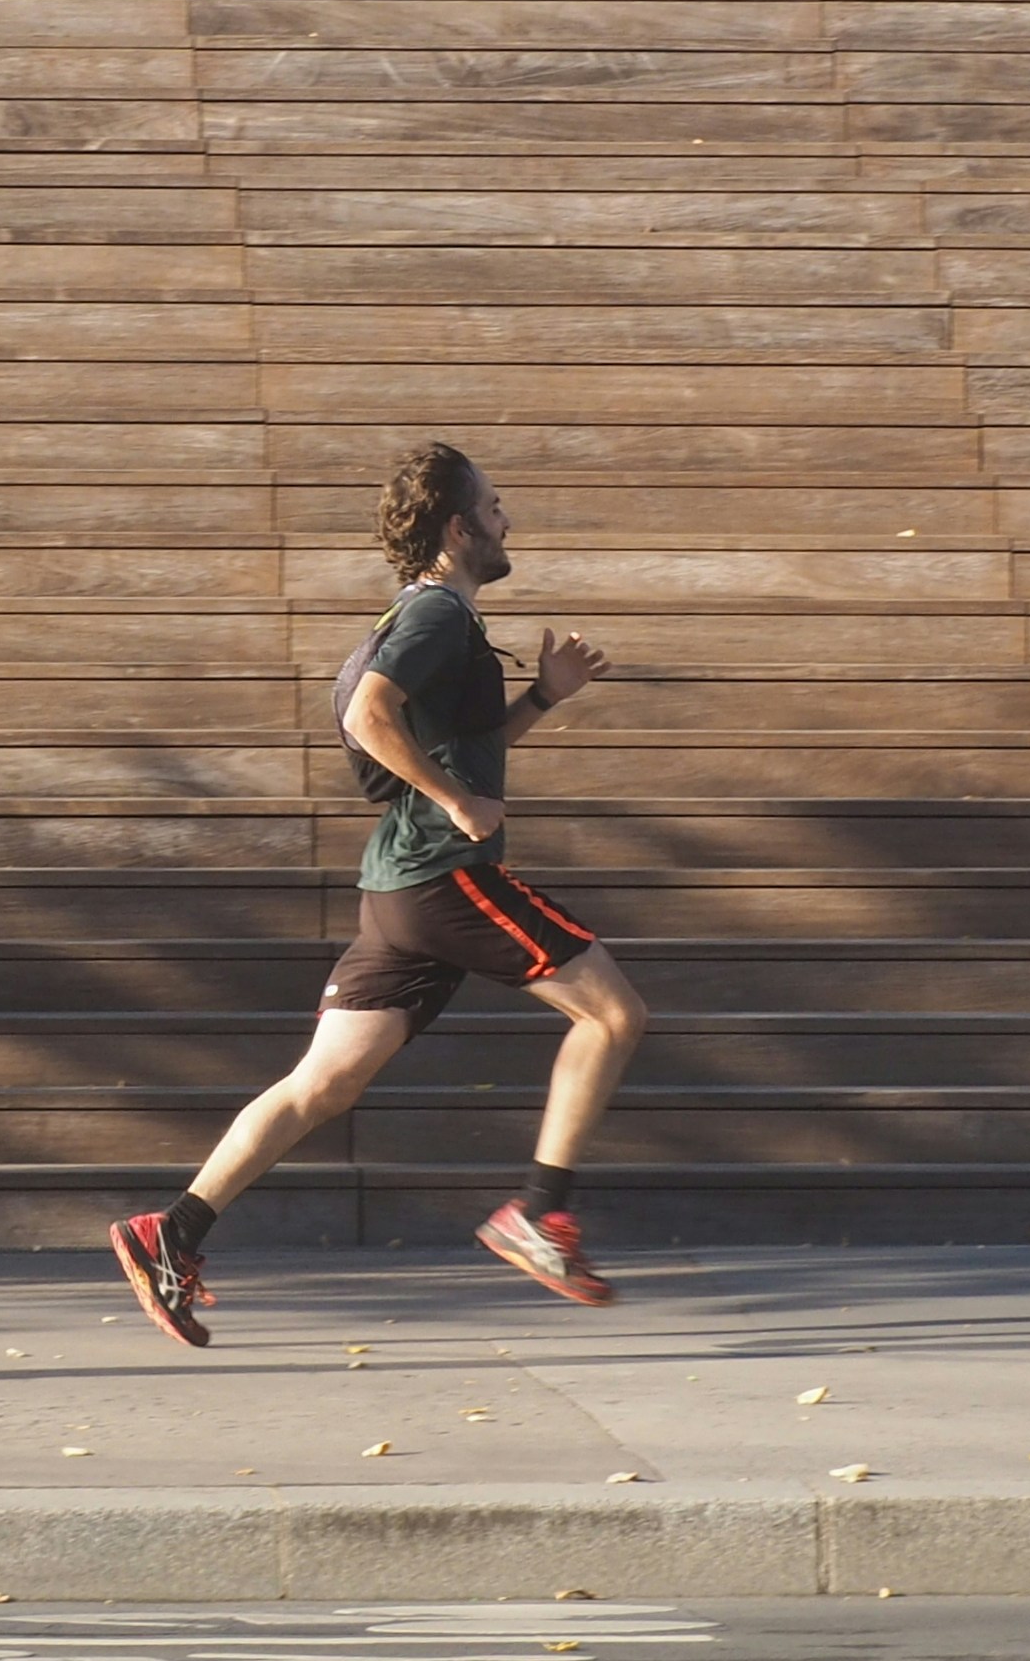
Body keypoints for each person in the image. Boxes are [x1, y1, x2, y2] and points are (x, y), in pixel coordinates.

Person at [108, 442, 647, 1346]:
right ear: (457, 526)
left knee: (322, 1084)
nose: (508, 519)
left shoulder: (439, 619)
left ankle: (174, 1231)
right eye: (495, 504)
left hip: (399, 890)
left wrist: (542, 701)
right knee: (613, 1017)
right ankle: (539, 1216)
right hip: (443, 877)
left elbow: (460, 742)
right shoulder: (437, 615)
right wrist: (456, 803)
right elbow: (370, 717)